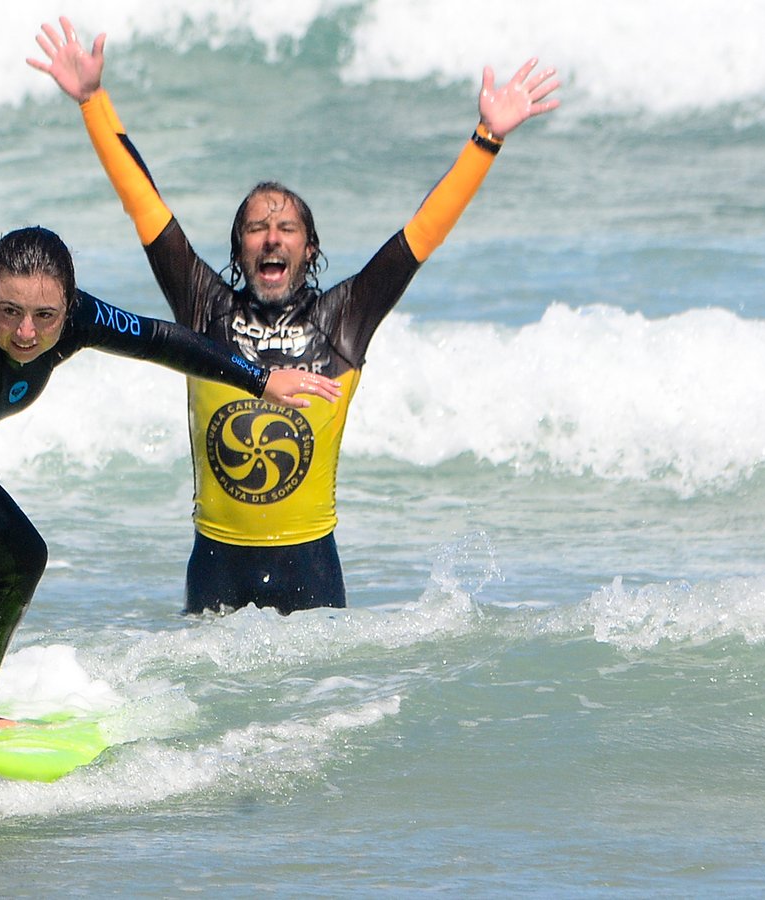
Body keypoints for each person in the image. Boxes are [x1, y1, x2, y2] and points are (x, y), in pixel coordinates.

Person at [30, 17, 562, 616]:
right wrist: (93, 102)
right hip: (216, 563)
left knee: (322, 683)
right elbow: (143, 205)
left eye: (287, 228)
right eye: (257, 228)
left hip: (311, 565)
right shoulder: (205, 307)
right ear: (239, 250)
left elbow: (423, 234)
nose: (272, 237)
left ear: (309, 250)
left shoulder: (344, 318)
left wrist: (486, 138)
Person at [0, 226, 338, 743]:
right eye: (10, 311)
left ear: (69, 307)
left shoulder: (80, 318)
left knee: (20, 556)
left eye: (45, 315)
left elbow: (159, 339)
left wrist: (259, 378)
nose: (26, 332)